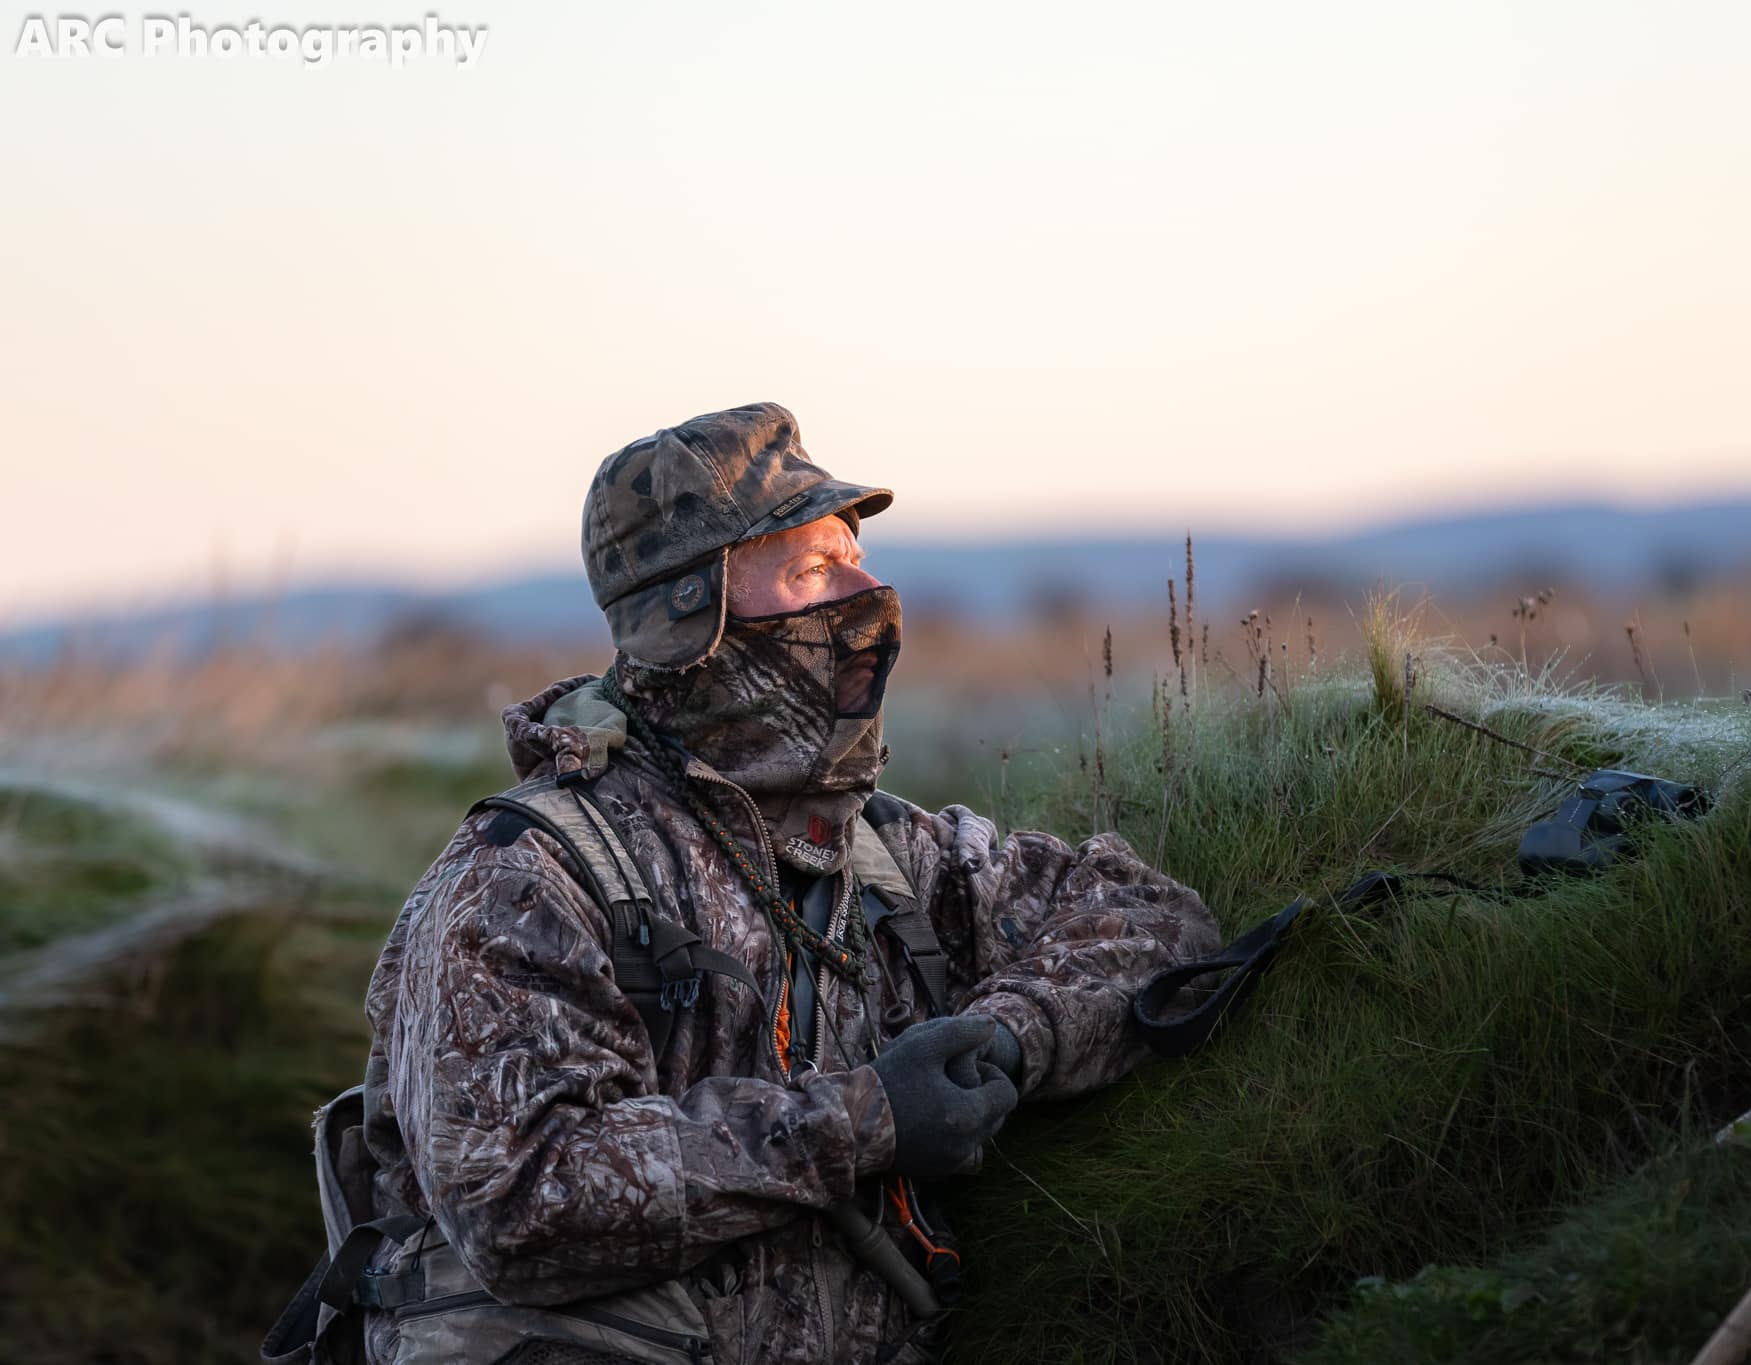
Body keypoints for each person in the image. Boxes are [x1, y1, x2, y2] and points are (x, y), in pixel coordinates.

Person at [351, 402, 1222, 1364]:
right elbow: (517, 1199)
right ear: (692, 618)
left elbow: (1159, 924)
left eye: (855, 554)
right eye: (814, 567)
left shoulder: (890, 854)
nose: (868, 590)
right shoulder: (525, 879)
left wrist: (1008, 1037)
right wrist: (869, 1117)